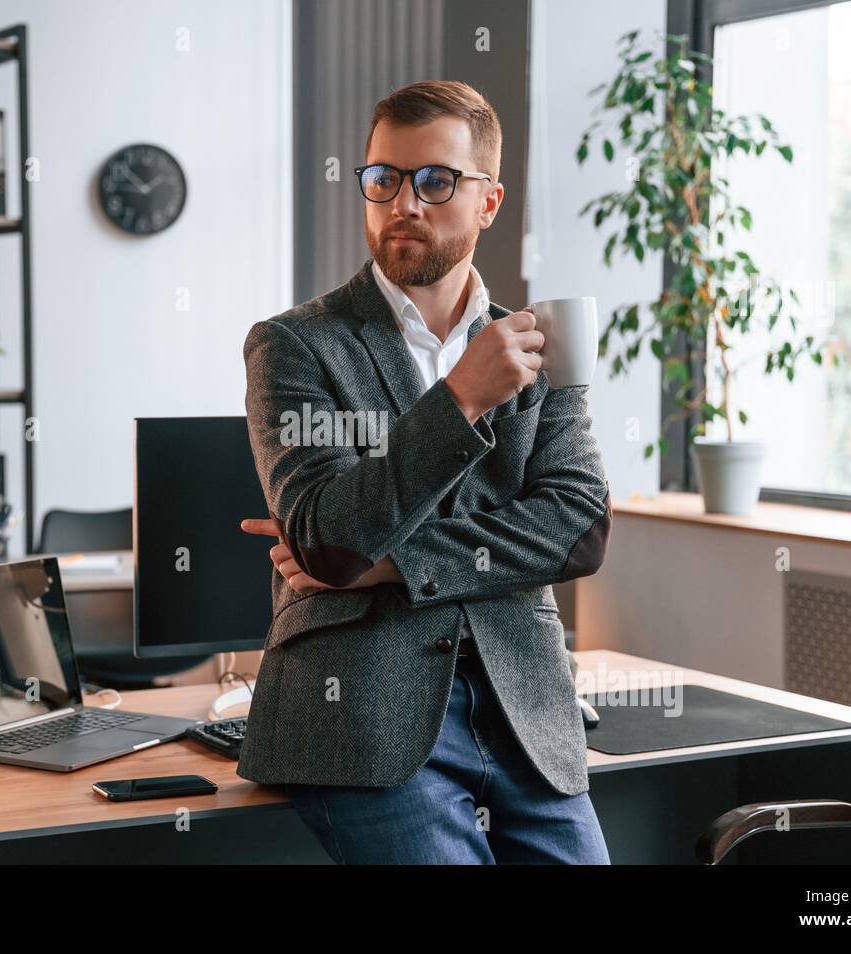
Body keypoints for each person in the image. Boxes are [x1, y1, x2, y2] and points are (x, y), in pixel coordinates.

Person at [238, 80, 613, 864]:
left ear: (489, 201)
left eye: (435, 180)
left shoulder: (543, 341)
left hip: (527, 707)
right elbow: (331, 542)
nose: (403, 202)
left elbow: (577, 528)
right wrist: (460, 398)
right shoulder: (295, 344)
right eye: (383, 179)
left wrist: (391, 567)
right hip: (361, 710)